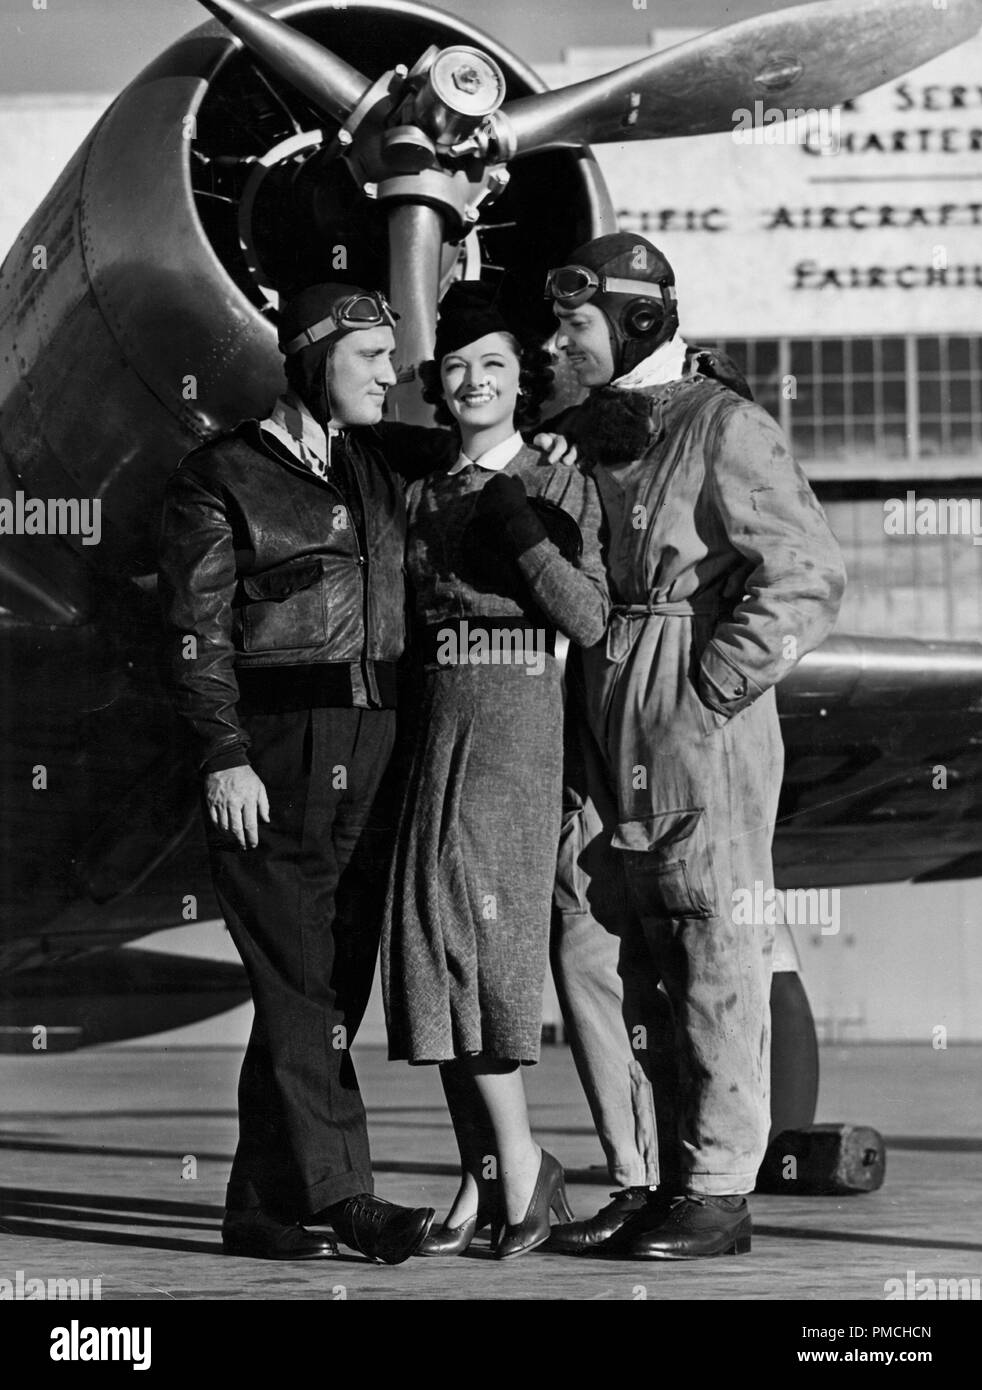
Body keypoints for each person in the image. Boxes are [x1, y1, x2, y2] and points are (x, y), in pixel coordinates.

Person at [541, 234, 847, 1259]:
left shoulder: (726, 426)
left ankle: (715, 1186)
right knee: (598, 940)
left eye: (576, 325)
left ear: (632, 324)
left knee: (710, 940)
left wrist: (704, 695)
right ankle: (645, 1175)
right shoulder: (584, 430)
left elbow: (807, 575)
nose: (559, 341)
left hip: (686, 700)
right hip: (596, 692)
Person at [157, 283, 439, 1264]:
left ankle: (255, 1206)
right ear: (315, 356)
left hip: (379, 736)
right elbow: (195, 632)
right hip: (274, 747)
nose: (389, 374)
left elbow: (497, 451)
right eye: (369, 356)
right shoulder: (219, 474)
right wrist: (224, 752)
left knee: (321, 987)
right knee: (299, 983)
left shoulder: (384, 464)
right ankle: (343, 1196)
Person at [381, 283, 610, 1259]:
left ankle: (523, 1171)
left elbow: (588, 616)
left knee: (487, 950)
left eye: (495, 366)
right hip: (434, 720)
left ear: (524, 385)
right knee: (431, 945)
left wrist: (519, 524)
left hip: (514, 717)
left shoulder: (558, 482)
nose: (473, 381)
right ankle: (484, 1177)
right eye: (459, 366)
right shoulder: (426, 491)